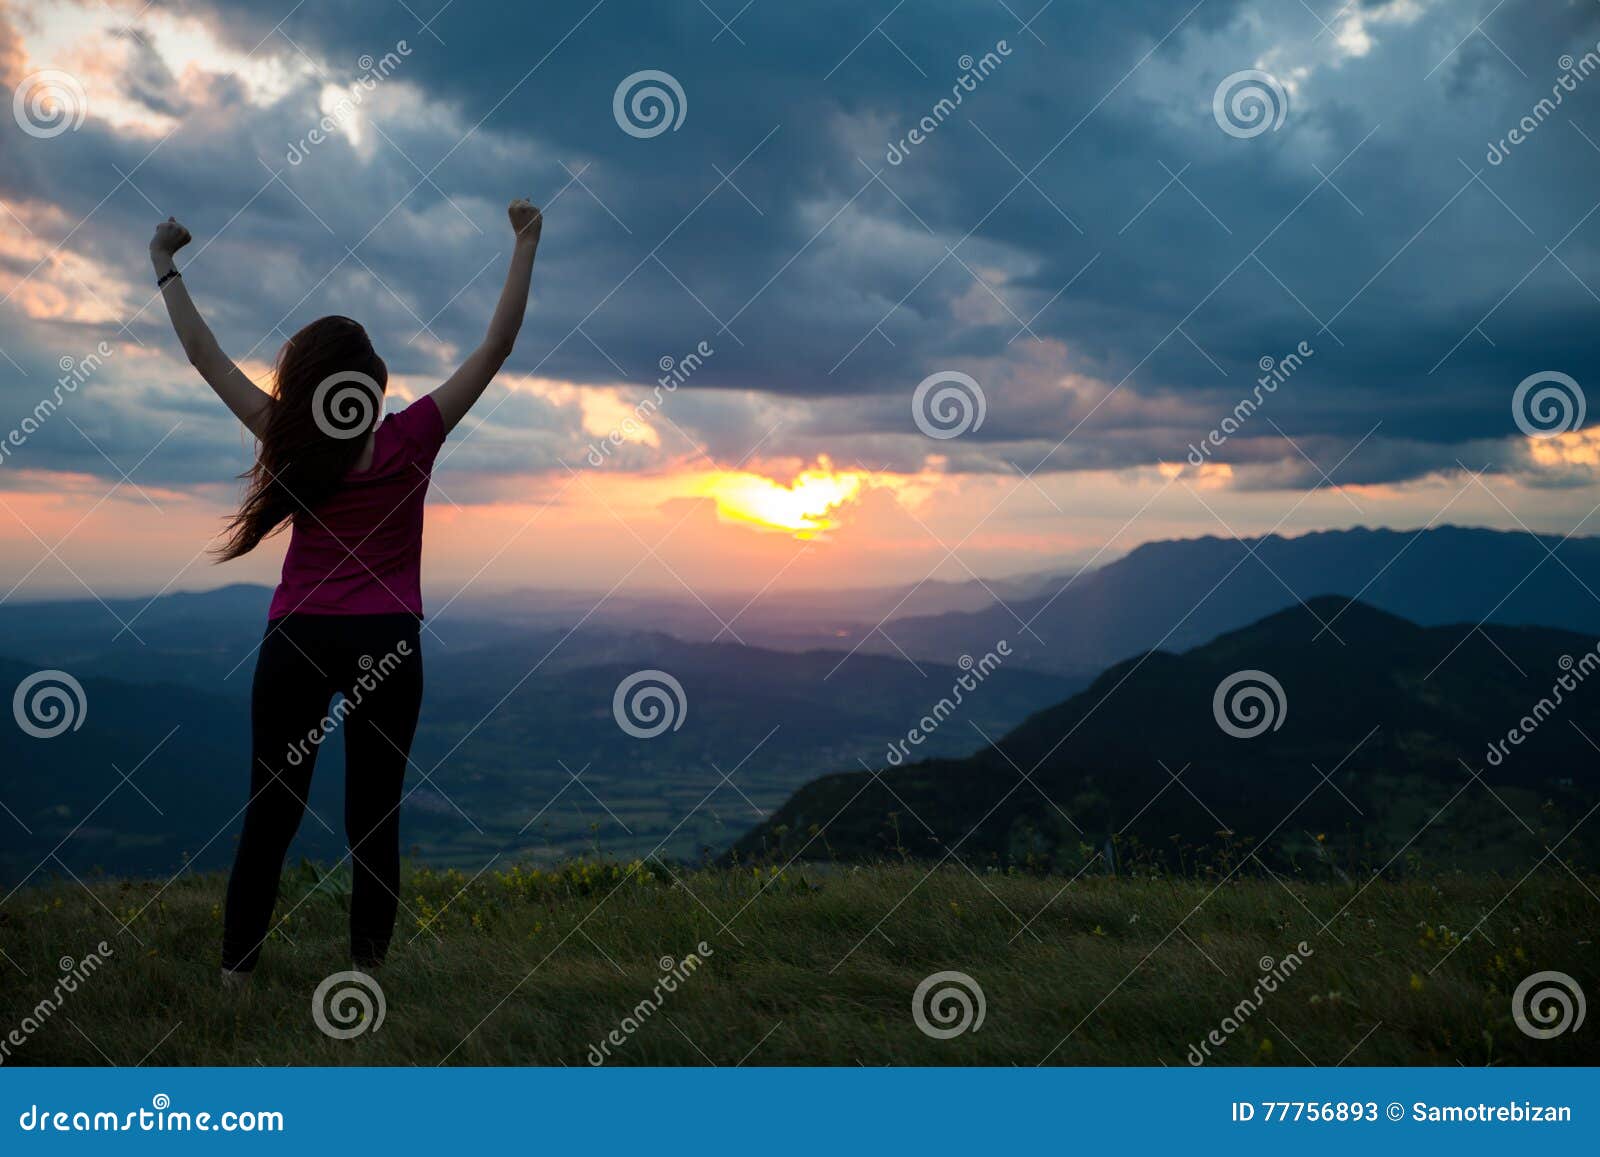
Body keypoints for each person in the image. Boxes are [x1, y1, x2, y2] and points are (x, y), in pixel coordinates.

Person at [149, 199, 543, 984]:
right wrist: (526, 243)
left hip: (298, 638)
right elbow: (496, 347)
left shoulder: (286, 435)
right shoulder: (411, 438)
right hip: (387, 644)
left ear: (304, 383)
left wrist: (164, 262)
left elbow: (204, 354)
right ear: (370, 383)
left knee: (272, 810)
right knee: (375, 819)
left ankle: (236, 978)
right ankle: (363, 978)